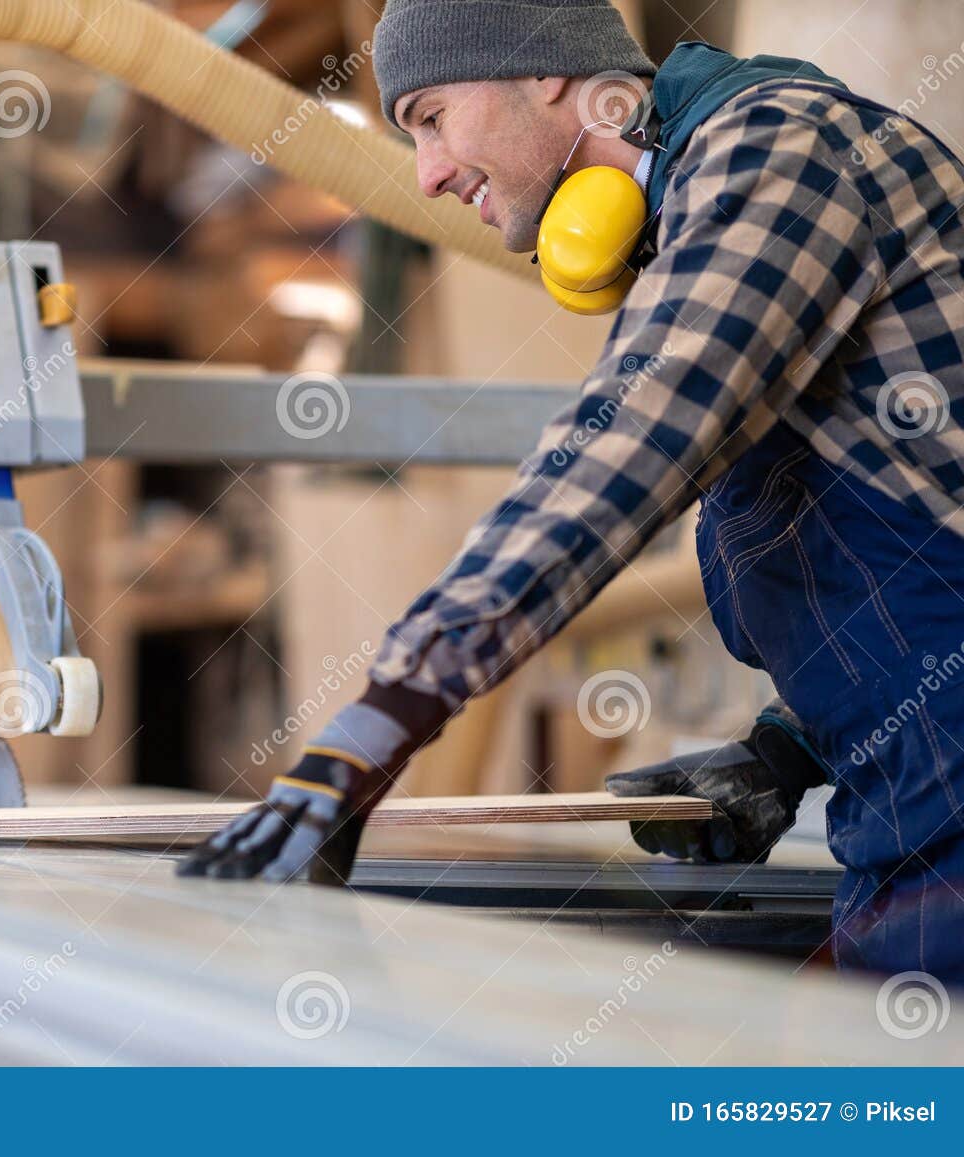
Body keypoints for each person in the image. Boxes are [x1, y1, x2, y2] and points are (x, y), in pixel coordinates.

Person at [179, 0, 964, 982]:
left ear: (544, 71)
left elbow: (622, 450)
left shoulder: (775, 152)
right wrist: (785, 746)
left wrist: (376, 722)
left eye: (428, 117)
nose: (423, 174)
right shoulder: (702, 197)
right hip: (920, 789)